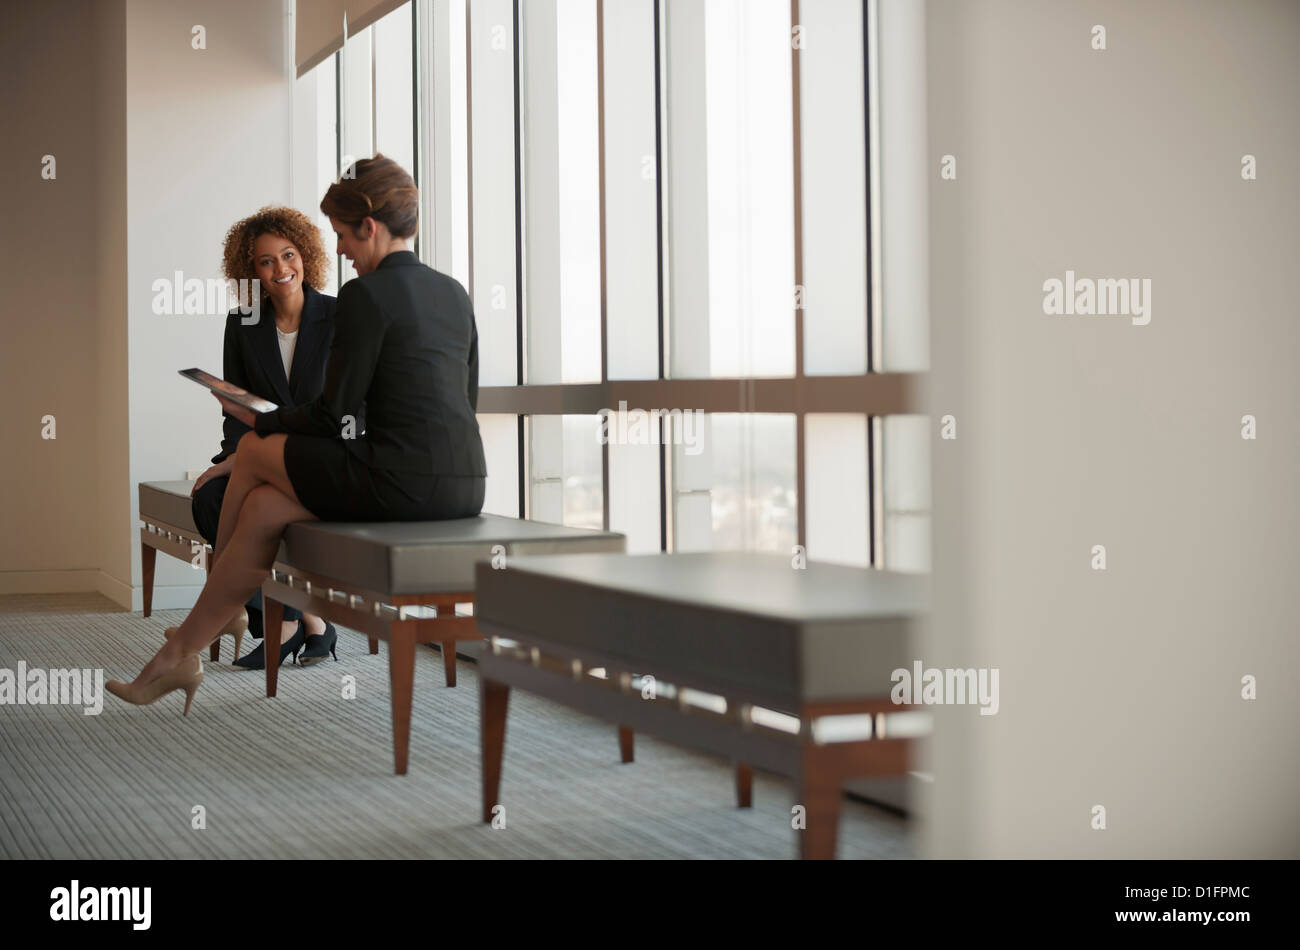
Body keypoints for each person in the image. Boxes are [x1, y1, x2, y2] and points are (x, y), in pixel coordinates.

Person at [107, 155, 487, 712]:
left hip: (399, 483)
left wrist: (259, 420)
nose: (339, 252)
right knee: (262, 508)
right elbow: (464, 400)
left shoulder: (365, 295)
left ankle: (223, 615)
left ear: (370, 228)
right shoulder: (454, 291)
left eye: (341, 236)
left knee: (257, 451)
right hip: (464, 484)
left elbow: (335, 413)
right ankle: (177, 658)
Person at [182, 207, 343, 670]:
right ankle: (297, 616)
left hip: (317, 457)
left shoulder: (340, 318)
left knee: (255, 499)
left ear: (305, 255)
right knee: (210, 497)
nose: (280, 269)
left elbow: (345, 411)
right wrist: (234, 460)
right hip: (257, 453)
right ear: (250, 270)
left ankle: (288, 625)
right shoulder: (243, 323)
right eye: (265, 261)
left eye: (288, 255)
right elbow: (236, 411)